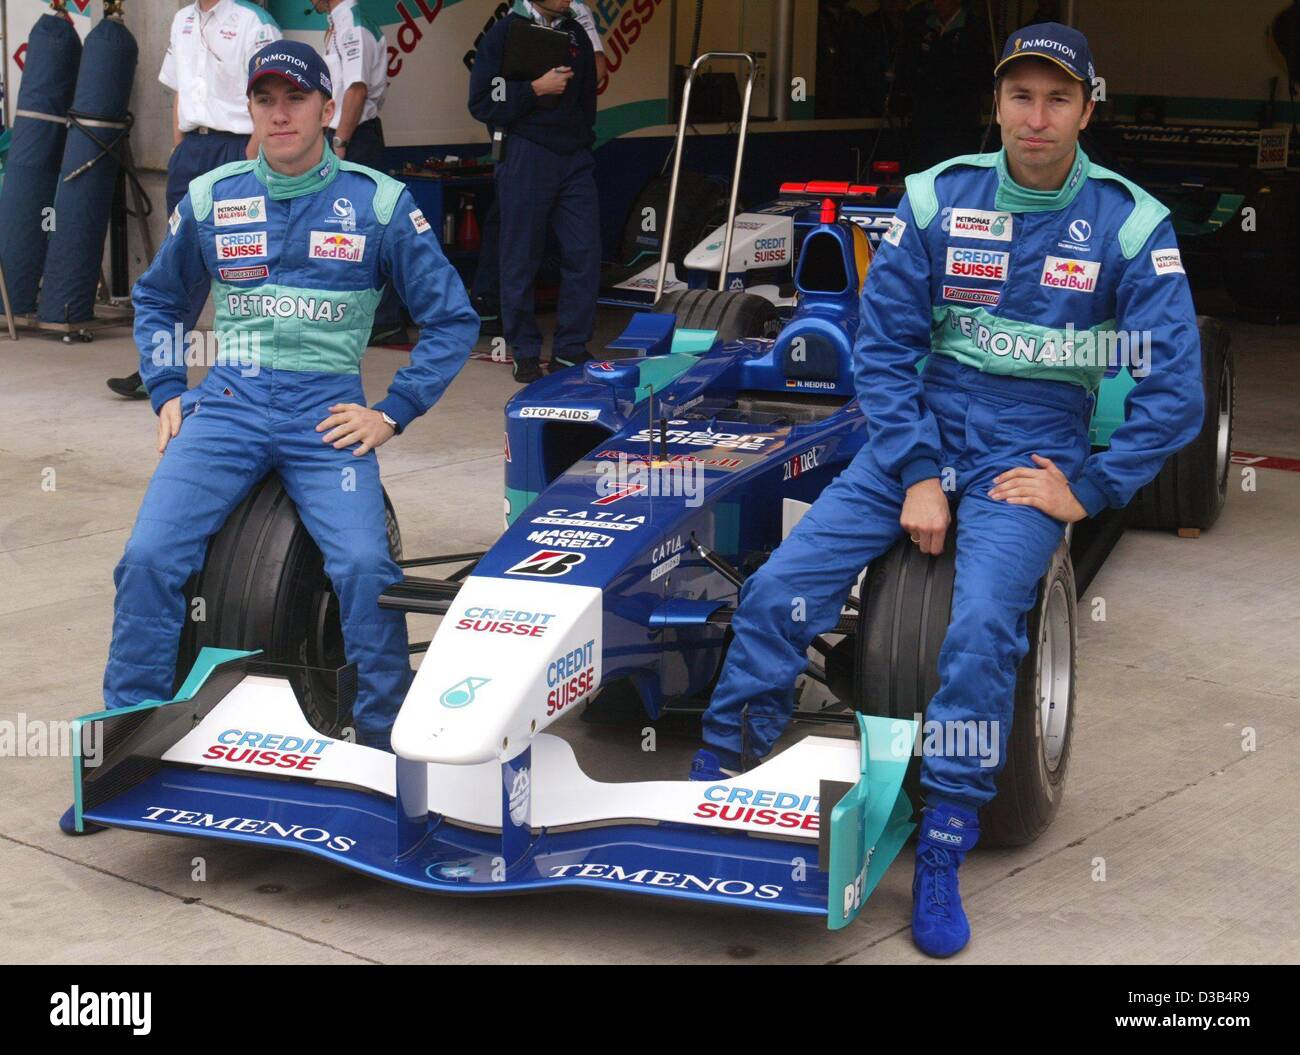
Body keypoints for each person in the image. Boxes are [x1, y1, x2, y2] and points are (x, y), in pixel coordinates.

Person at [690, 23, 1204, 957]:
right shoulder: (936, 197)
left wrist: (1090, 486)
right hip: (916, 435)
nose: (1036, 118)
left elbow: (1177, 392)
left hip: (1031, 451)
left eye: (1058, 99)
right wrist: (920, 474)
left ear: (1090, 108)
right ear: (997, 103)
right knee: (776, 592)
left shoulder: (1131, 224)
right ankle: (723, 776)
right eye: (1021, 96)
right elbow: (883, 351)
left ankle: (945, 841)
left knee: (977, 638)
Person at [103, 41, 479, 752]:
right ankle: (131, 734)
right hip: (229, 405)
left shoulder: (380, 202)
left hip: (326, 417)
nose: (280, 114)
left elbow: (453, 318)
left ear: (328, 109)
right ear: (249, 109)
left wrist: (392, 410)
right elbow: (157, 300)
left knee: (367, 567)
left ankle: (382, 741)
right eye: (265, 100)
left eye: (296, 99)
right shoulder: (214, 197)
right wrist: (164, 388)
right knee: (149, 555)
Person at [107, 0, 281, 400]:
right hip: (191, 153)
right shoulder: (182, 20)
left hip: (237, 148)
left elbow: (272, 98)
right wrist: (178, 148)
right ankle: (159, 369)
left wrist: (250, 157)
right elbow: (181, 91)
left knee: (245, 263)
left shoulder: (254, 21)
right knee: (178, 265)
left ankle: (257, 371)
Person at [468, 0, 600, 384]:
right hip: (526, 152)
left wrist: (579, 140)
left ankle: (571, 348)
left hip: (574, 156)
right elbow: (481, 101)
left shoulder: (576, 32)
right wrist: (533, 89)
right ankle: (524, 351)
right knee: (520, 255)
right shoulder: (504, 32)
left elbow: (589, 96)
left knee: (585, 252)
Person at [313, 0, 405, 344]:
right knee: (340, 234)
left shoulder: (353, 22)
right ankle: (360, 317)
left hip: (353, 139)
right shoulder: (338, 22)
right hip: (344, 137)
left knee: (364, 231)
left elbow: (356, 88)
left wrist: (339, 142)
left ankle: (385, 319)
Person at [896, 0, 992, 172]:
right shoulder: (921, 24)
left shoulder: (975, 27)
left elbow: (979, 73)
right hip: (924, 120)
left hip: (961, 121)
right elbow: (908, 66)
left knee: (957, 174)